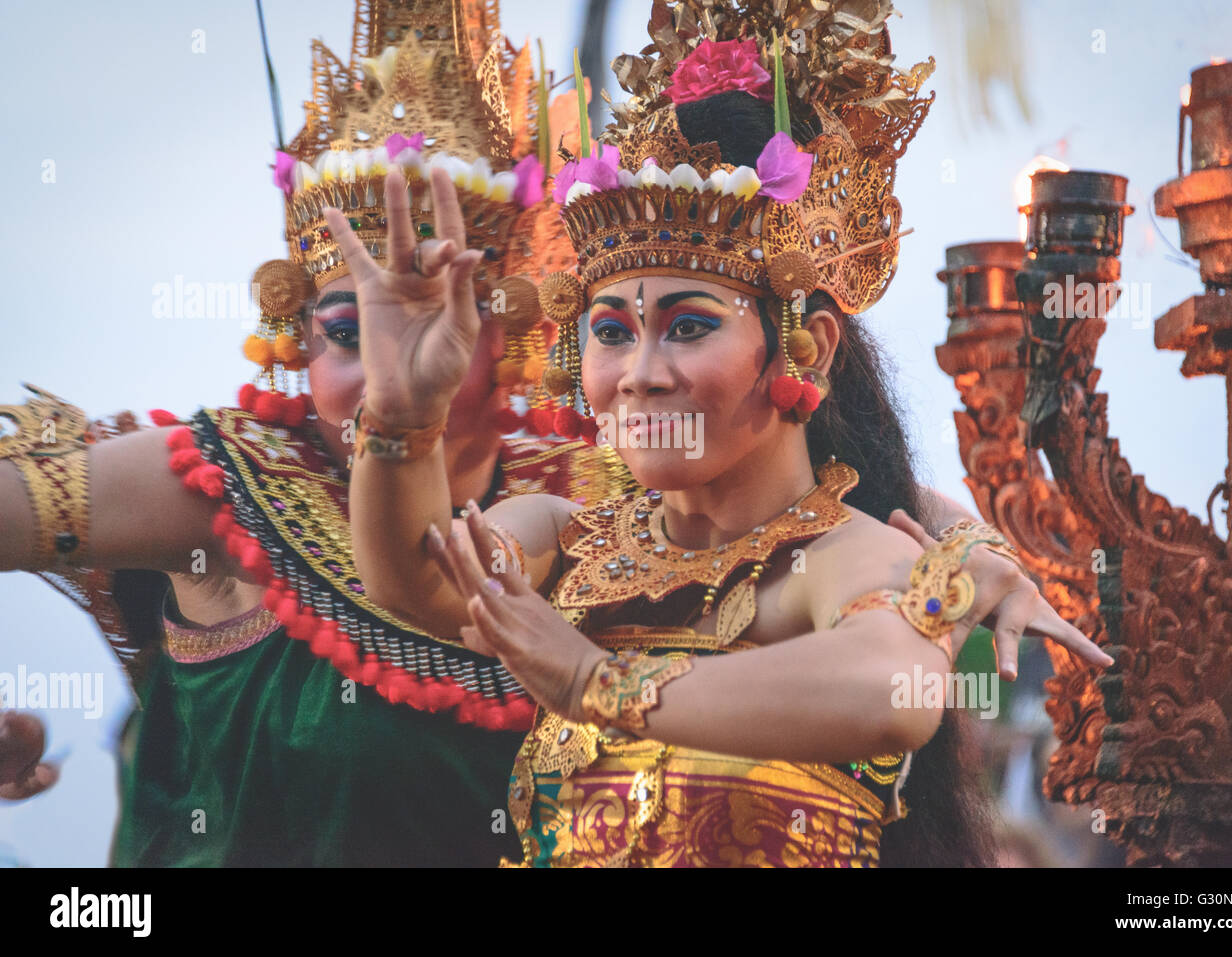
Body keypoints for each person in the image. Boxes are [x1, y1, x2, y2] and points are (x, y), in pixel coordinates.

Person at [340, 2, 1114, 866]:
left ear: (807, 348)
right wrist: (402, 416)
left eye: (688, 325)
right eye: (609, 330)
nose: (640, 372)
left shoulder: (843, 554)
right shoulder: (574, 539)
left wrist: (599, 682)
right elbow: (415, 576)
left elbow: (890, 689)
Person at [0, 0, 631, 866]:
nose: (386, 369)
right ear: (295, 337)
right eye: (346, 332)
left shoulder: (592, 494)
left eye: (429, 321)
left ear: (514, 334)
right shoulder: (233, 480)